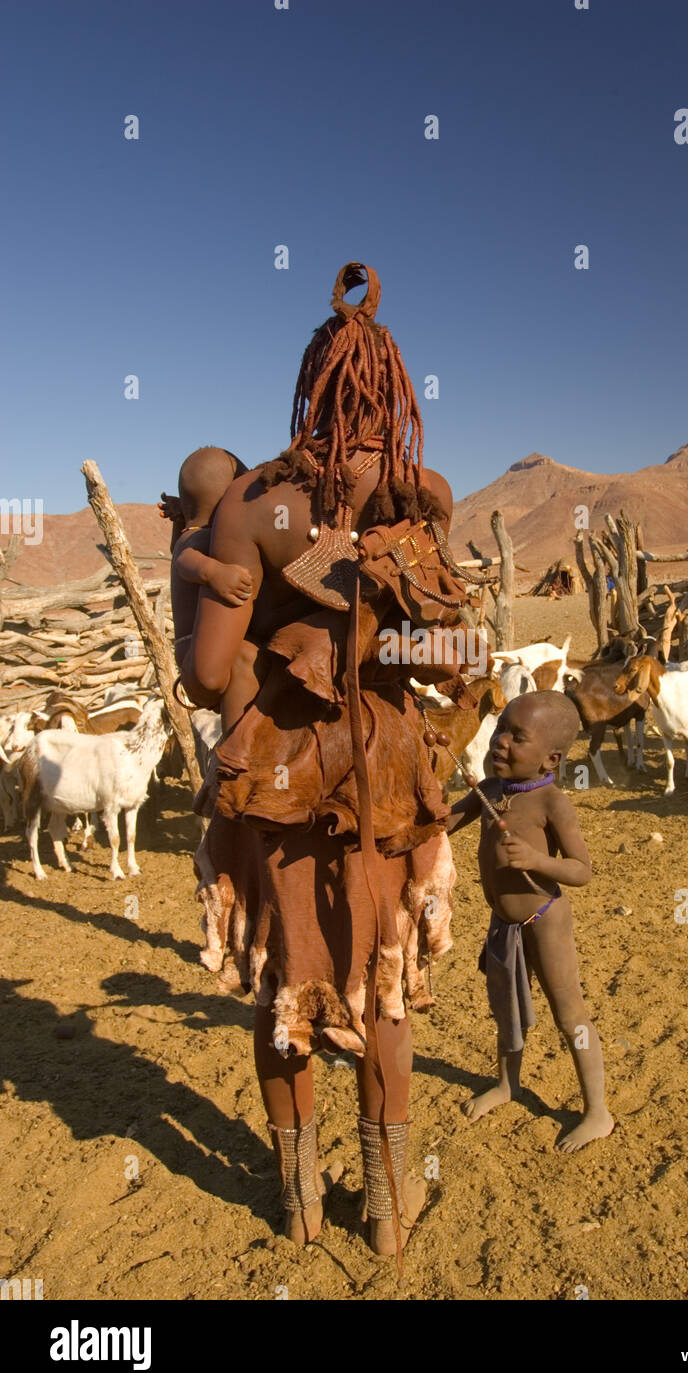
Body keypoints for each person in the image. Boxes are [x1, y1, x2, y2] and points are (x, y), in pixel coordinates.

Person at [181, 264, 463, 1255]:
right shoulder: (421, 497)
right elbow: (454, 652)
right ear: (394, 388)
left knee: (283, 989)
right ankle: (389, 1209)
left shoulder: (252, 501)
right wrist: (370, 645)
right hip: (381, 785)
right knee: (379, 983)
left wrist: (222, 593)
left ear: (306, 385)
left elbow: (207, 677)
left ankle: (297, 1203)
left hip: (276, 784)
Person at [447, 690, 615, 1153]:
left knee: (570, 1014)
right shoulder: (490, 791)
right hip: (503, 921)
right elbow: (444, 822)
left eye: (516, 737)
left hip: (545, 918)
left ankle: (597, 1110)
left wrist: (537, 860)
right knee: (505, 1008)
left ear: (551, 759)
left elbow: (582, 870)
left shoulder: (551, 803)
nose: (500, 742)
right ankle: (507, 1084)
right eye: (500, 729)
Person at [159, 447, 264, 729]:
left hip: (193, 647)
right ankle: (235, 738)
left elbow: (175, 549)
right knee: (246, 659)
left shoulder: (189, 534)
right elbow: (184, 562)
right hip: (194, 648)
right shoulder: (198, 541)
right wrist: (214, 572)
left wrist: (180, 517)